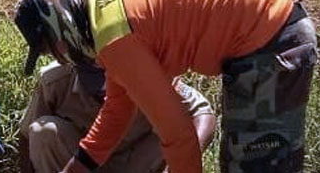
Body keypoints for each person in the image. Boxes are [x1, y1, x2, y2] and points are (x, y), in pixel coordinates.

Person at [14, 0, 317, 173]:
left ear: (59, 28)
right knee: (244, 159)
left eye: (49, 50)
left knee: (255, 163)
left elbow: (179, 136)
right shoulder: (108, 13)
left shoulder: (116, 38)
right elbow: (118, 111)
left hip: (269, 36)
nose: (56, 59)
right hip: (268, 25)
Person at [18, 61, 216, 173]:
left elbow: (203, 114)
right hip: (81, 163)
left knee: (177, 133)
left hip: (138, 163)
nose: (105, 95)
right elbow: (26, 136)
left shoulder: (147, 71)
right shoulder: (56, 79)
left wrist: (179, 165)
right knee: (43, 130)